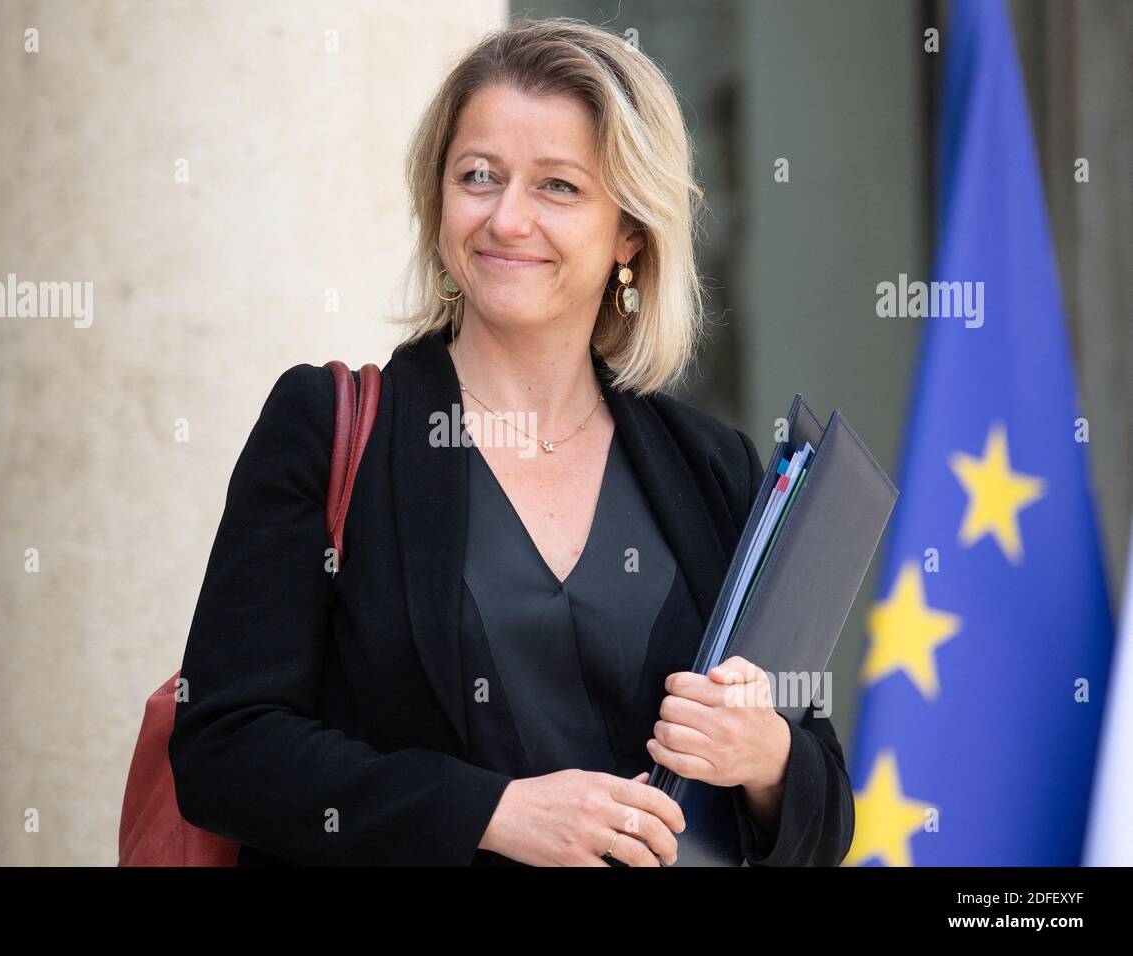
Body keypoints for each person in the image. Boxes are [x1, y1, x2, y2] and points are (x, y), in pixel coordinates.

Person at [169, 17, 853, 867]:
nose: (506, 219)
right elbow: (223, 749)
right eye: (478, 177)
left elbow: (824, 806)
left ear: (629, 234)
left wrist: (767, 759)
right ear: (438, 200)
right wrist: (486, 812)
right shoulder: (328, 428)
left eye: (559, 187)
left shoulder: (710, 465)